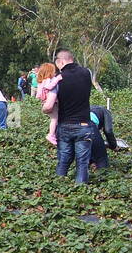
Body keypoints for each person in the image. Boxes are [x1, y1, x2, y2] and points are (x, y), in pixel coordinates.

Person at [51, 51, 94, 185]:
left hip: (65, 124)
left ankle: (59, 186)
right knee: (82, 162)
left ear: (61, 62)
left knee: (63, 158)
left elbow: (49, 105)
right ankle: (81, 189)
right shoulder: (86, 73)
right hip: (84, 124)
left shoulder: (59, 78)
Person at [35, 62, 61, 145]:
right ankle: (51, 135)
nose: (55, 73)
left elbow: (38, 95)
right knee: (54, 119)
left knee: (54, 119)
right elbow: (49, 87)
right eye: (53, 71)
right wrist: (57, 79)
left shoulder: (40, 82)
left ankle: (54, 134)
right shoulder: (48, 80)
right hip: (51, 103)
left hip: (44, 103)